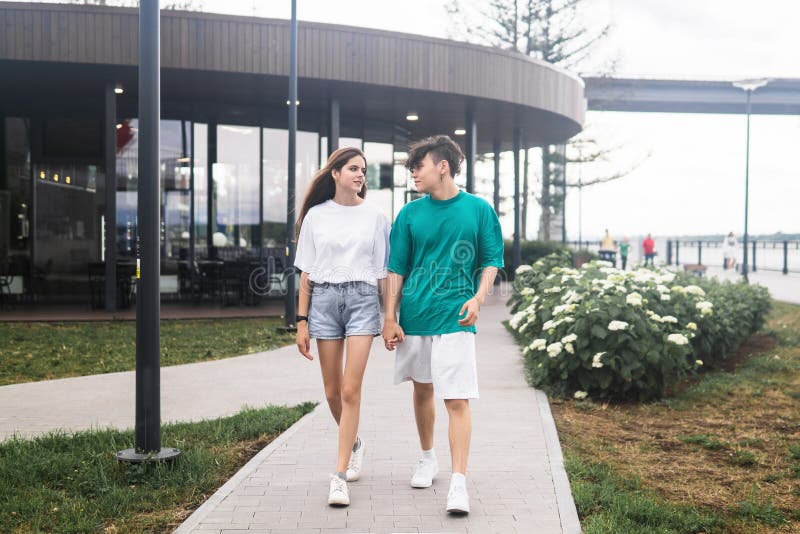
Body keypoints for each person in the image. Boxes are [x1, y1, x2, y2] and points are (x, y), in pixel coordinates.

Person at [381, 135, 504, 515]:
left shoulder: (478, 210)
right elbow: (396, 268)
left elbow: (491, 260)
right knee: (422, 390)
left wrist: (478, 298)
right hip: (415, 318)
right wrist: (390, 318)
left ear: (443, 166)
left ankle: (458, 483)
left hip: (456, 317)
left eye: (418, 167)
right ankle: (427, 457)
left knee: (457, 398)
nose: (414, 174)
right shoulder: (409, 215)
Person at [294, 147, 390, 507]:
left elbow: (383, 272)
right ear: (335, 173)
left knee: (351, 390)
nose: (360, 174)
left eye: (362, 169)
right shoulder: (316, 216)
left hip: (363, 300)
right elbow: (306, 273)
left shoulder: (375, 216)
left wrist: (391, 317)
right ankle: (356, 443)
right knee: (333, 392)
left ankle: (338, 476)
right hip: (324, 301)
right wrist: (301, 322)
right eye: (353, 168)